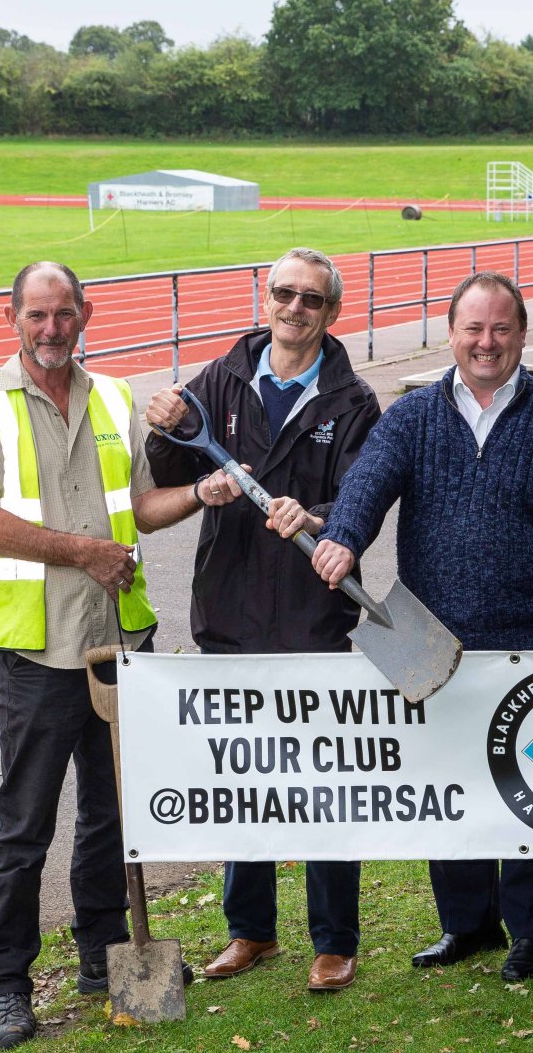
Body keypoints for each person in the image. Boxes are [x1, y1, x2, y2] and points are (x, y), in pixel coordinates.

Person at [310, 271, 533, 983]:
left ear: (522, 335)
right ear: (451, 334)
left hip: (530, 638)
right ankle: (467, 925)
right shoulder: (413, 416)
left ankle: (530, 932)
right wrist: (344, 535)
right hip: (429, 636)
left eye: (501, 329)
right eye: (473, 328)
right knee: (448, 785)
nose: (486, 342)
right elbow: (367, 483)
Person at [0, 261, 200, 1050]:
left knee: (113, 818)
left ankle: (103, 956)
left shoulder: (115, 397)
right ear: (12, 318)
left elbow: (140, 508)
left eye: (63, 314)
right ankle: (8, 988)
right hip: (39, 652)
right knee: (24, 827)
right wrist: (84, 551)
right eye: (36, 315)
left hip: (119, 639)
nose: (50, 329)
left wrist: (201, 494)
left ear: (86, 313)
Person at [143, 248, 381, 994]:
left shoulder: (352, 401)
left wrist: (315, 517)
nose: (294, 308)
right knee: (242, 779)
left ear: (331, 312)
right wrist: (165, 426)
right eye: (284, 293)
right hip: (231, 609)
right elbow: (171, 470)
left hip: (314, 616)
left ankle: (334, 940)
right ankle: (250, 930)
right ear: (265, 297)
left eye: (311, 299)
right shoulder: (220, 380)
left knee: (323, 783)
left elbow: (363, 499)